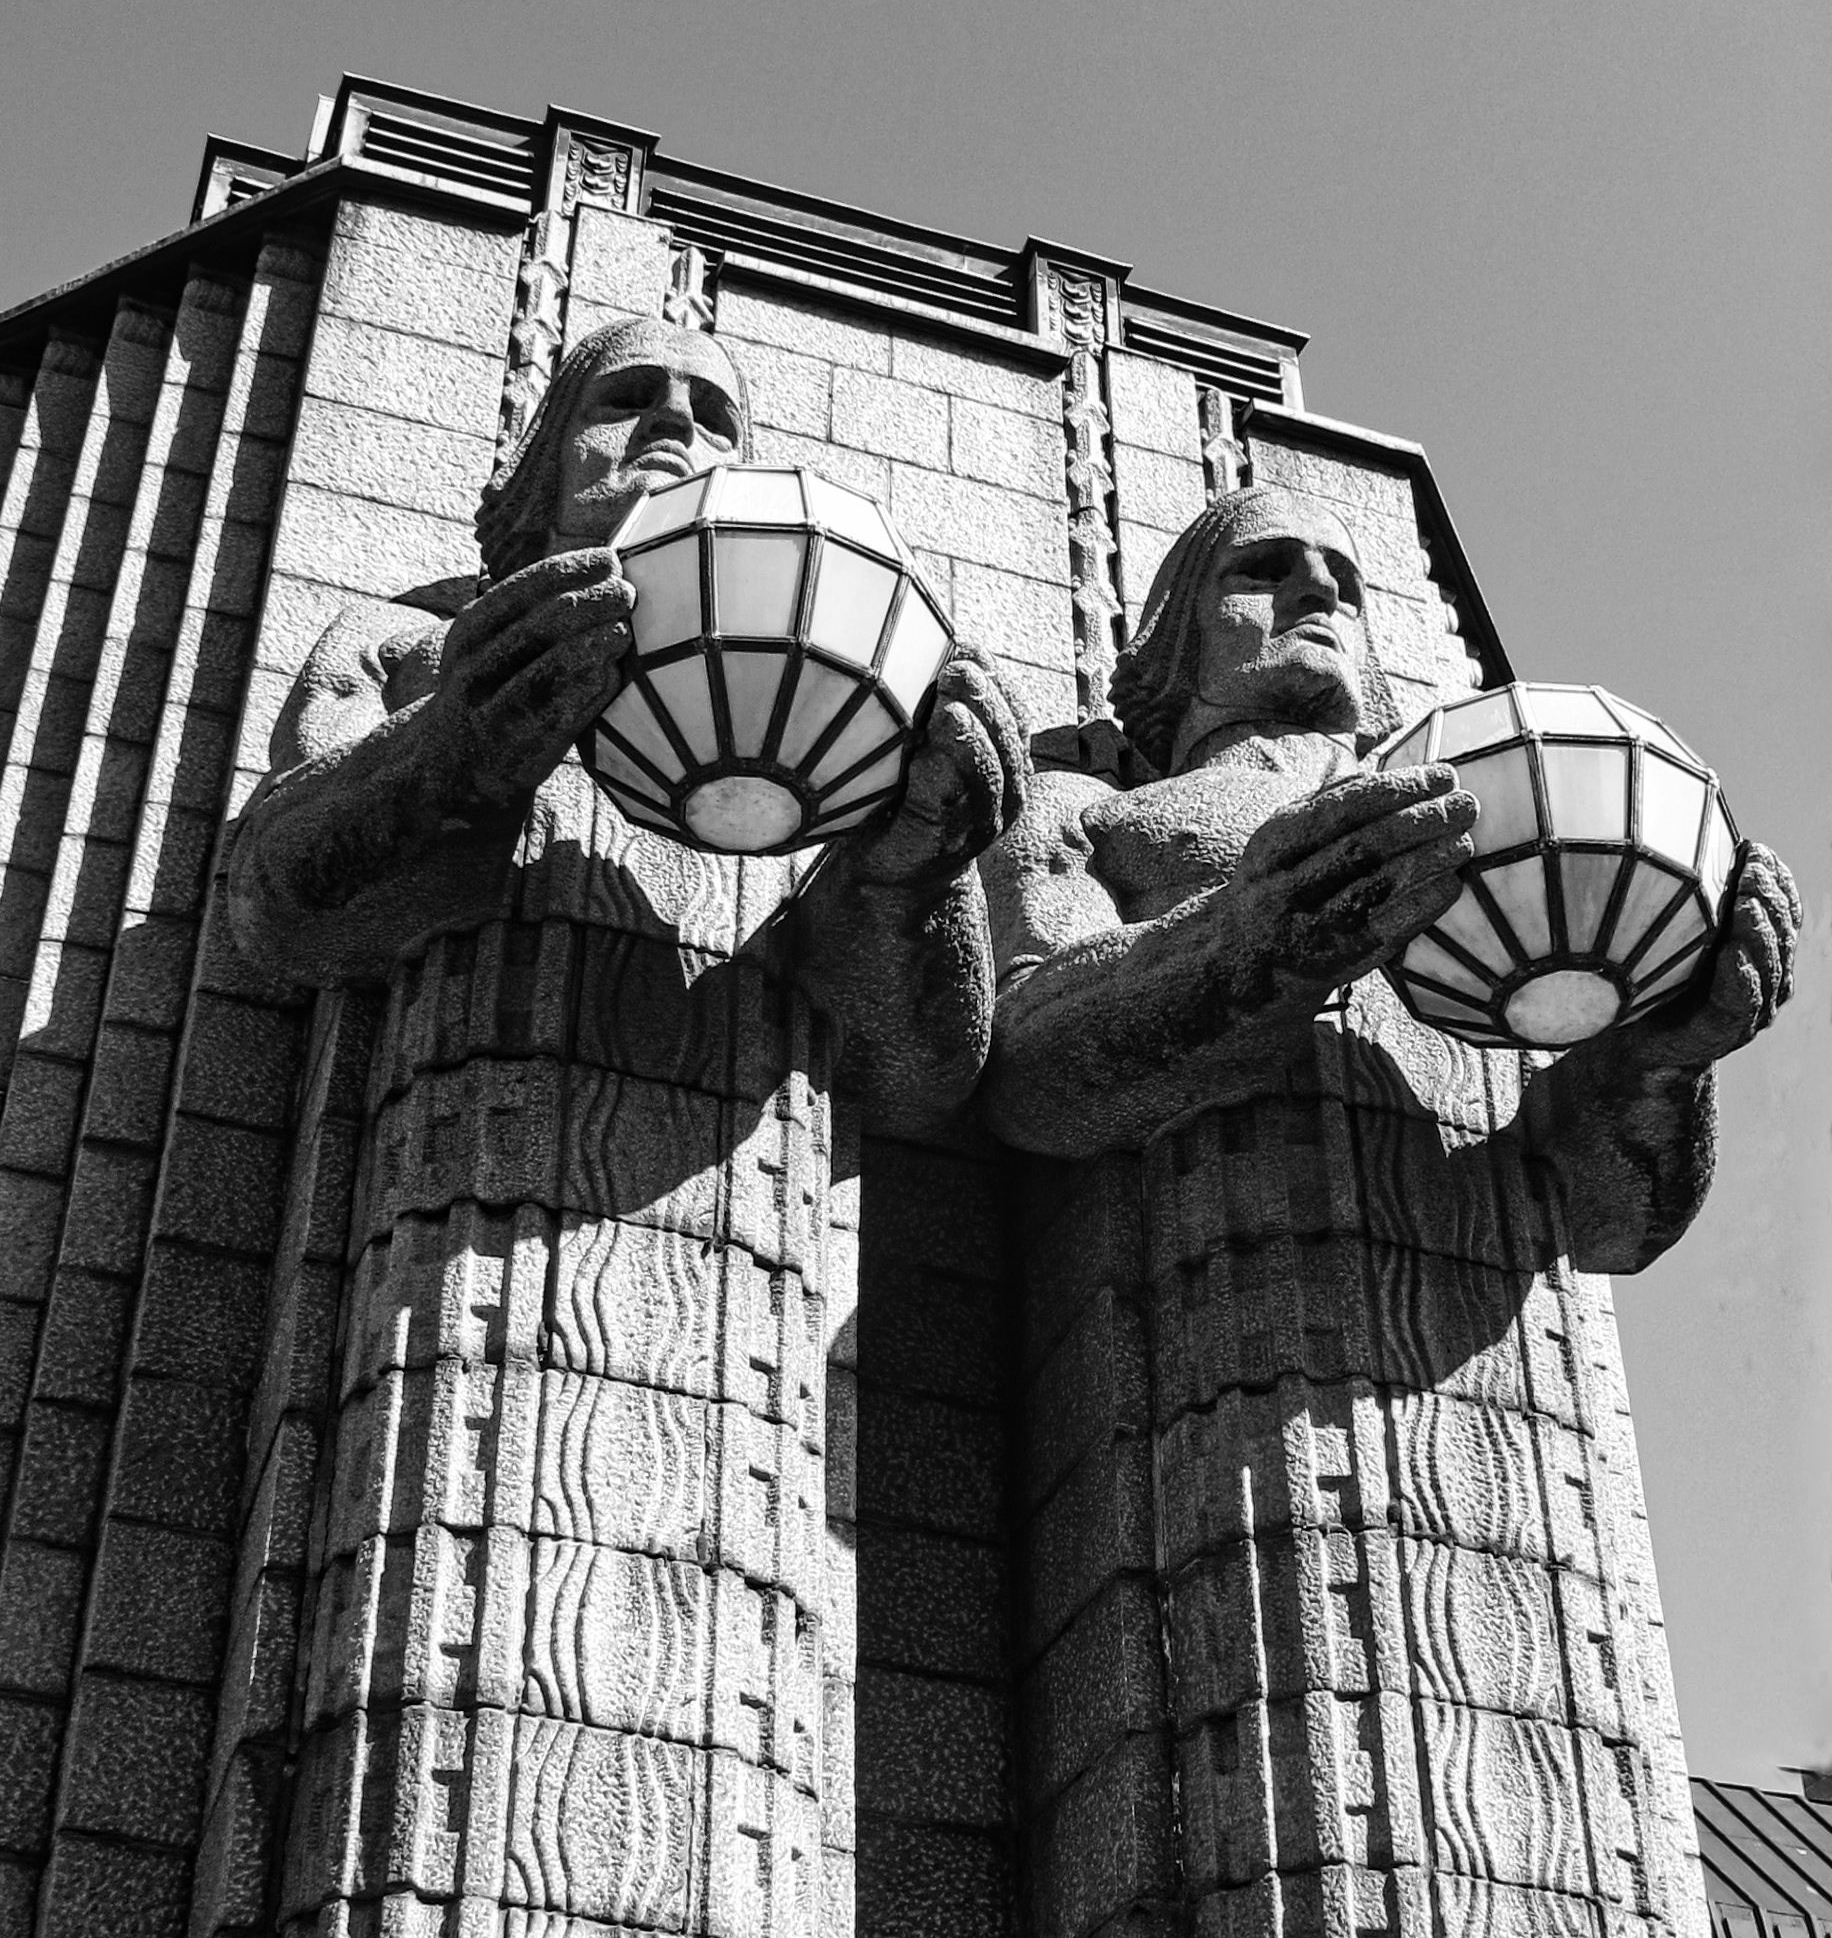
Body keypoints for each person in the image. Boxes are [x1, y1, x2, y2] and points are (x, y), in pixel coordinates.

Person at [228, 309, 1027, 1129]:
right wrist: (450, 750)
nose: (675, 419)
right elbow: (271, 907)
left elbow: (919, 1077)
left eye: (716, 417)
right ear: (548, 463)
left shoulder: (841, 703)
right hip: (452, 1156)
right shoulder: (409, 645)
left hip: (758, 1202)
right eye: (628, 396)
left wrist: (913, 878)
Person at [978, 480, 1796, 1261]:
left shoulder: (1495, 821)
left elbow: (1607, 1227)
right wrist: (1246, 948)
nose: (1316, 593)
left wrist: (1661, 1060)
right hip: (1198, 1315)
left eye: (1346, 584)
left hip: (1489, 1373)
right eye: (1264, 570)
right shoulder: (1082, 808)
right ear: (1180, 630)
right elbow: (1024, 1074)